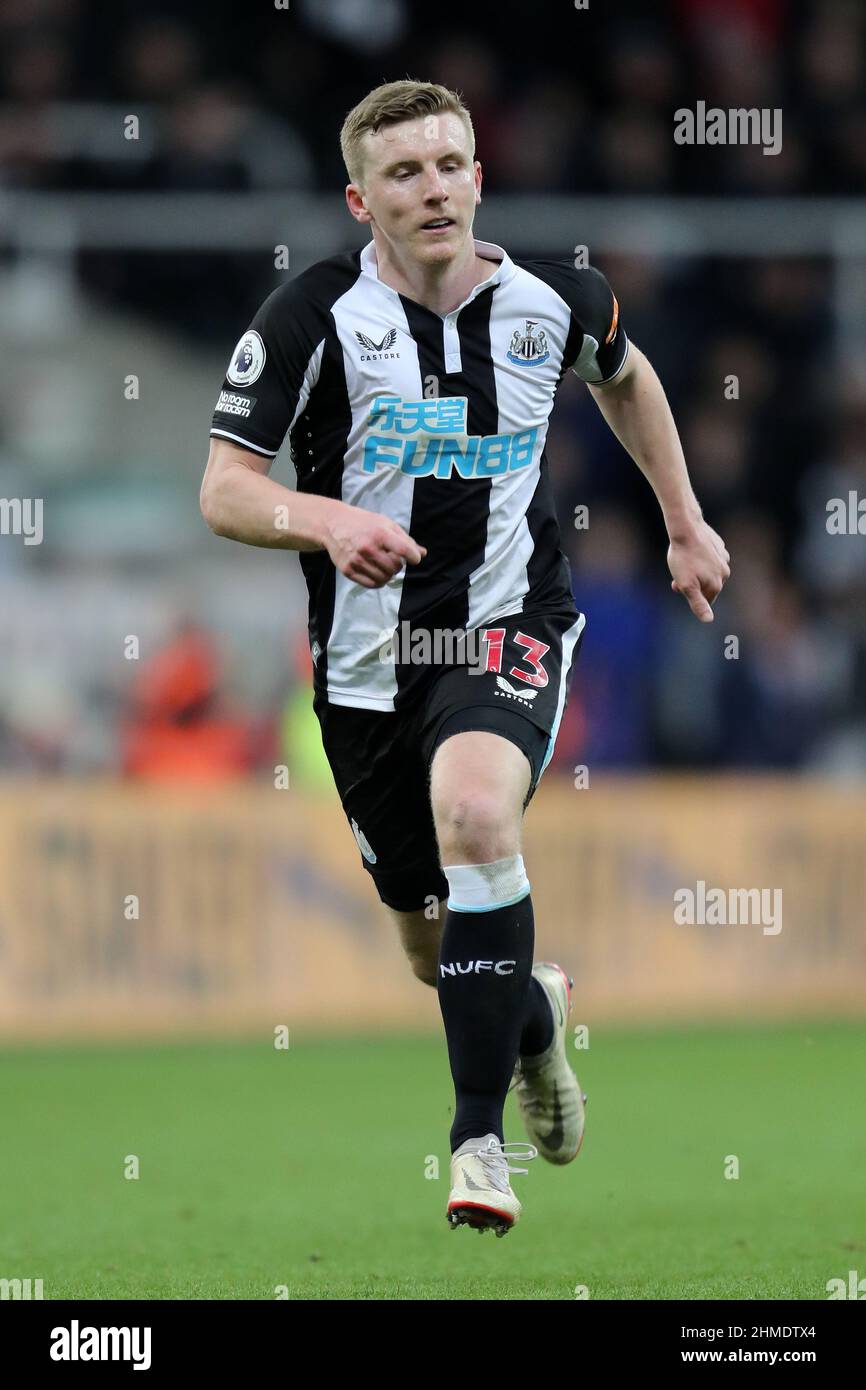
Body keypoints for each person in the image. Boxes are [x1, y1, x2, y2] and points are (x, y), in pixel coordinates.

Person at [200, 79, 730, 1237]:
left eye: (448, 164)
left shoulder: (553, 300)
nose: (431, 187)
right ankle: (530, 1020)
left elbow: (625, 376)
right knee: (429, 944)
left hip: (505, 625)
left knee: (479, 817)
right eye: (403, 173)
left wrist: (684, 522)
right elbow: (225, 489)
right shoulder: (305, 318)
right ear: (359, 199)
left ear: (477, 178)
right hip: (364, 664)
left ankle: (477, 1143)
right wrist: (326, 519)